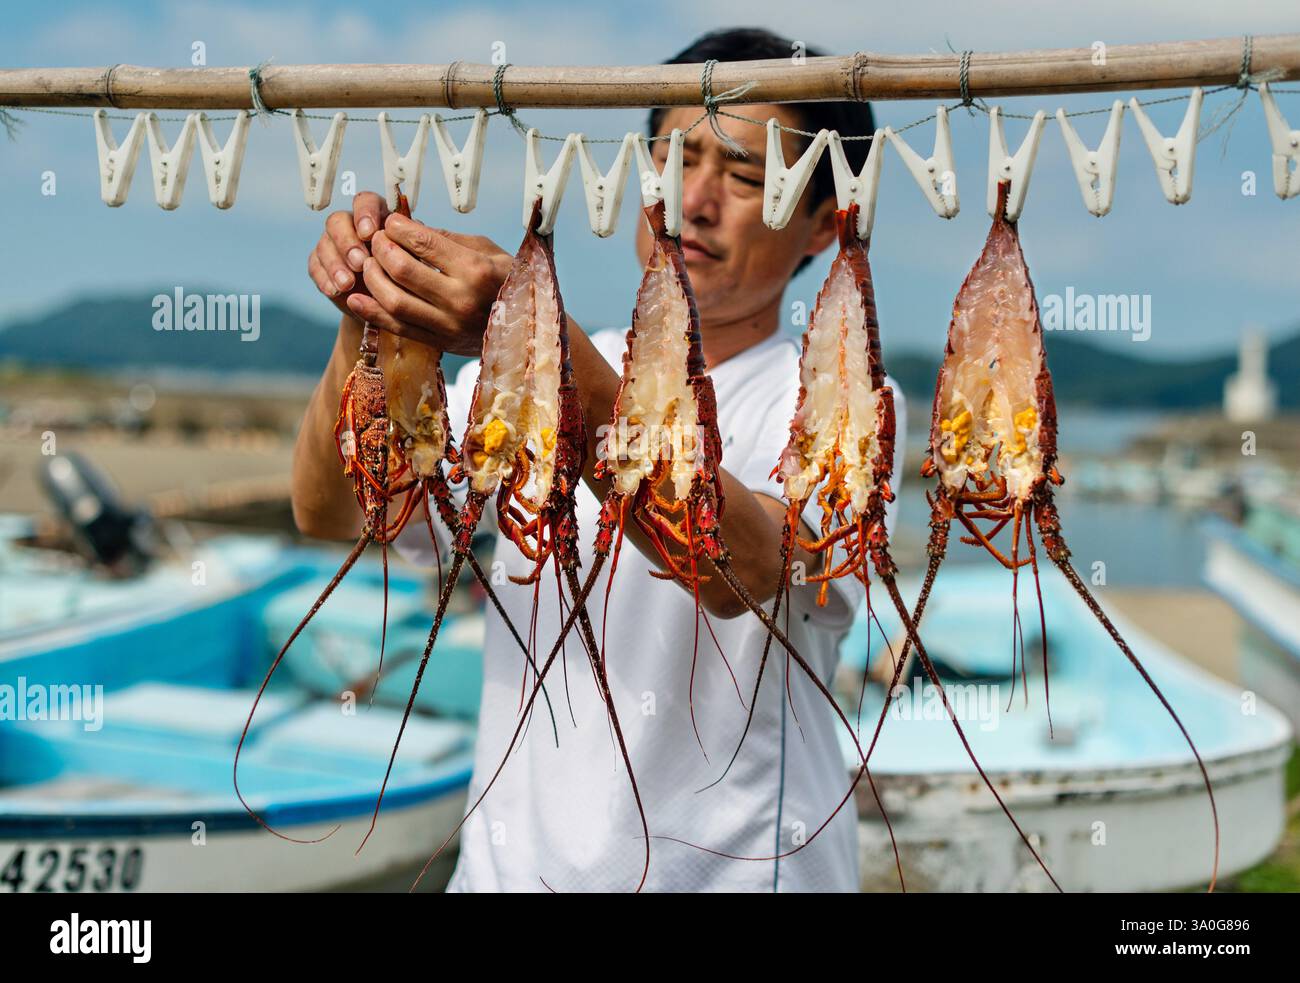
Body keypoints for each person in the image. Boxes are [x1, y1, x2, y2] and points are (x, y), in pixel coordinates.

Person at [296, 27, 905, 892]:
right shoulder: (528, 369)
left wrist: (537, 335)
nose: (694, 200)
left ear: (822, 222)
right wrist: (369, 314)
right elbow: (339, 515)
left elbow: (743, 568)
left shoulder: (843, 399)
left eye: (743, 176)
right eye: (675, 157)